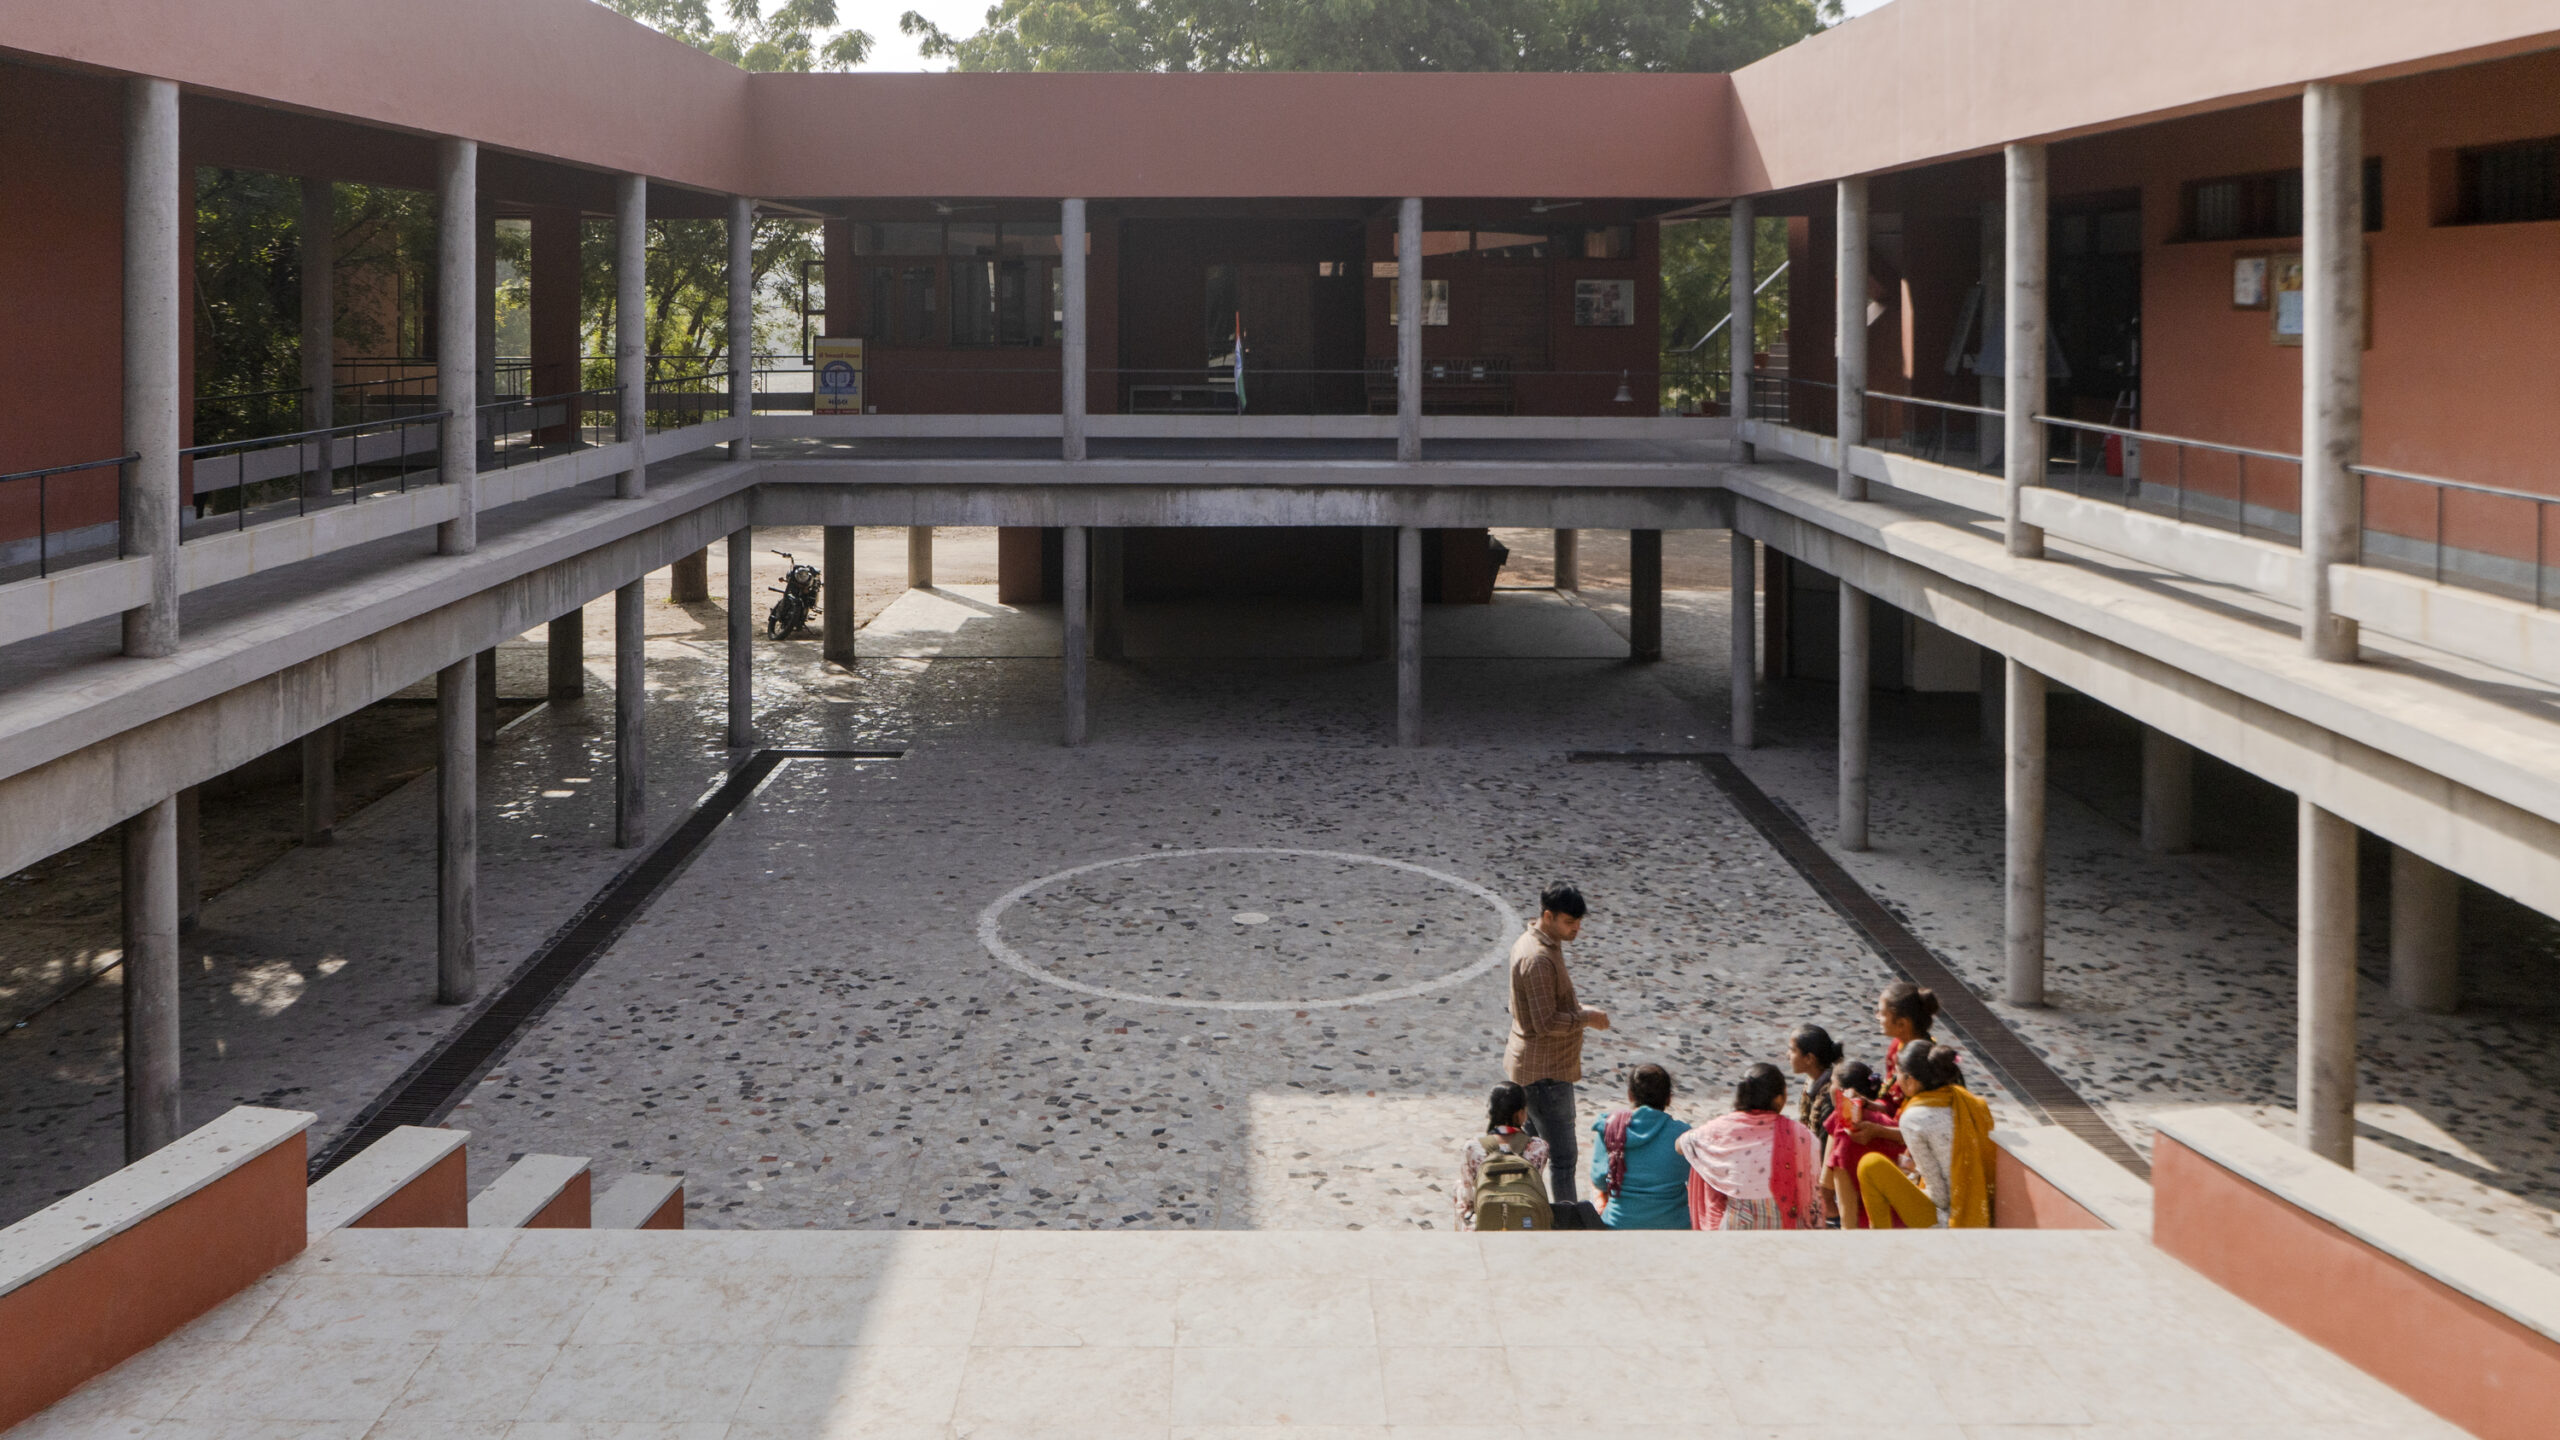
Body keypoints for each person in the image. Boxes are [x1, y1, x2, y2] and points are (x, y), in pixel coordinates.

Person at [1504, 882, 1609, 1209]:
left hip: (1537, 1070)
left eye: (1579, 922)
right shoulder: (1537, 957)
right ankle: (1566, 1225)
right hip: (1545, 1074)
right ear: (1547, 916)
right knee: (1562, 1157)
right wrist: (1585, 1017)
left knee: (1531, 1152)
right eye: (1569, 922)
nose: (1576, 929)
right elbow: (1544, 1023)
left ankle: (1529, 1212)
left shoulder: (1543, 943)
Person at [1856, 1039, 1996, 1229]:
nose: (1895, 1079)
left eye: (1898, 1073)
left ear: (1911, 1081)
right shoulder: (1965, 1099)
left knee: (1869, 1165)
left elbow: (1939, 1196)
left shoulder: (1914, 1118)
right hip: (1983, 1207)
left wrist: (1911, 1185)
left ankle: (1882, 1241)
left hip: (1949, 1221)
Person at [1677, 1062, 1822, 1230]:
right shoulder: (1801, 1135)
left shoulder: (1724, 1128)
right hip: (1787, 1226)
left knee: (1700, 1159)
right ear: (1778, 1099)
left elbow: (1681, 1145)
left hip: (1738, 1226)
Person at [1588, 1063, 1691, 1230]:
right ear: (1669, 1098)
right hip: (1674, 1225)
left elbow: (1599, 1180)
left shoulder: (1610, 1129)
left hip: (1619, 1225)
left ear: (1630, 1095)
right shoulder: (1684, 1135)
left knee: (1595, 1187)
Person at [1457, 1082, 1553, 1232]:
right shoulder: (1539, 1147)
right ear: (1520, 1114)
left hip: (1484, 1223)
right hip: (1525, 1222)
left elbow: (1468, 1200)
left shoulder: (1472, 1147)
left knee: (1459, 1188)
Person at [1822, 1060, 1901, 1229]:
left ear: (1841, 1091)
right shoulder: (1888, 1122)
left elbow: (1826, 1185)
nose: (1829, 1088)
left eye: (1831, 1083)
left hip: (1862, 1224)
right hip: (1899, 1219)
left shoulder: (1841, 1122)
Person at [1788, 1024, 1843, 1140]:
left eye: (1792, 1050)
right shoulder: (1812, 1081)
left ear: (1809, 1059)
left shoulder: (1829, 1100)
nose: (1788, 1055)